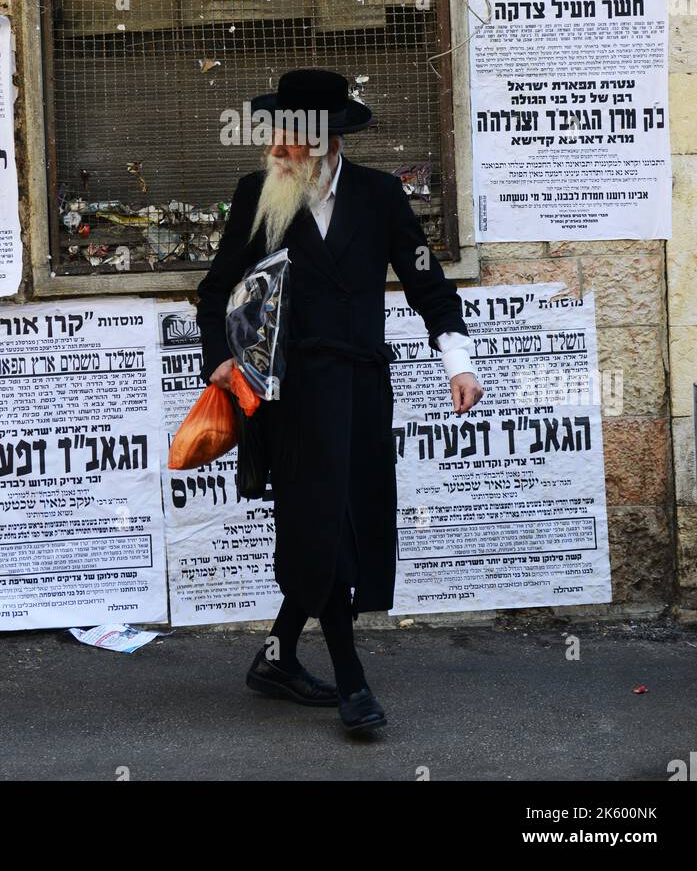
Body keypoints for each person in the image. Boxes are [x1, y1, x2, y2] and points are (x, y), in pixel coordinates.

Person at [195, 68, 483, 735]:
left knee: (344, 521)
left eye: (292, 135)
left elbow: (428, 287)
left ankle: (276, 658)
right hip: (287, 395)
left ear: (325, 140)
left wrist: (458, 364)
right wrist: (219, 360)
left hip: (359, 390)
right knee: (317, 522)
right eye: (276, 132)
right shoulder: (255, 196)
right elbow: (216, 293)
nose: (278, 145)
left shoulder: (379, 196)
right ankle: (353, 682)